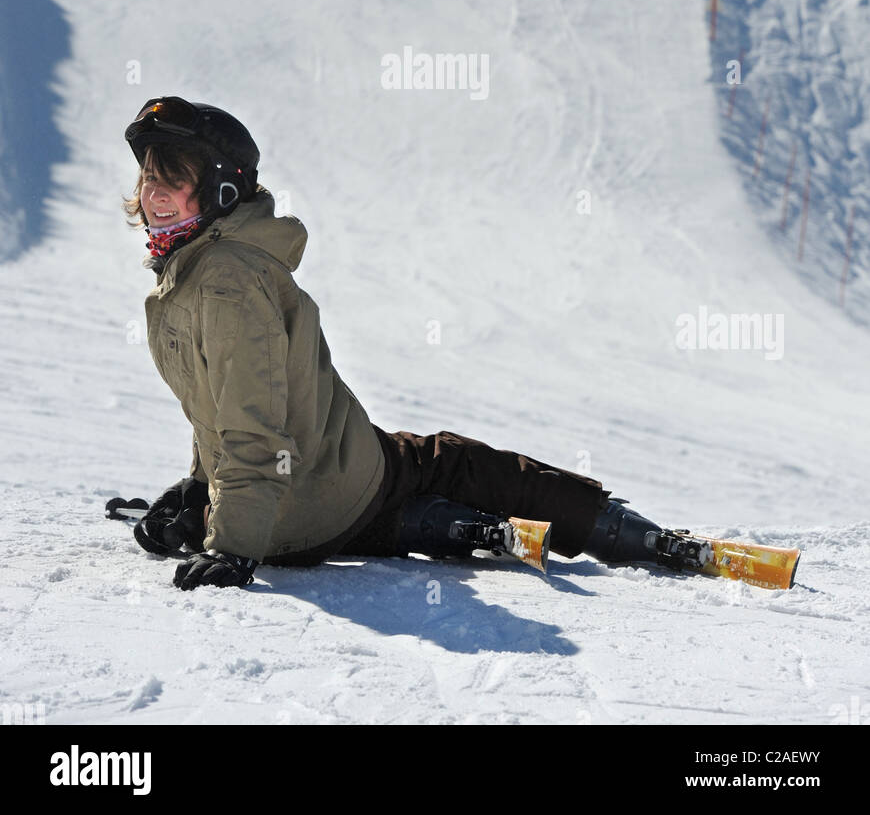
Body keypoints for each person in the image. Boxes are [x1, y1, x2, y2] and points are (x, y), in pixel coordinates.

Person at [123, 96, 672, 591]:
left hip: (283, 516)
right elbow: (241, 421)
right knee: (444, 461)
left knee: (379, 491)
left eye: (173, 179)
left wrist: (214, 507)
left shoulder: (207, 274)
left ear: (221, 186)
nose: (155, 195)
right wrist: (218, 523)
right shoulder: (220, 276)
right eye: (150, 178)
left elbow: (232, 410)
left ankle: (432, 524)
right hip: (312, 497)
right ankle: (620, 530)